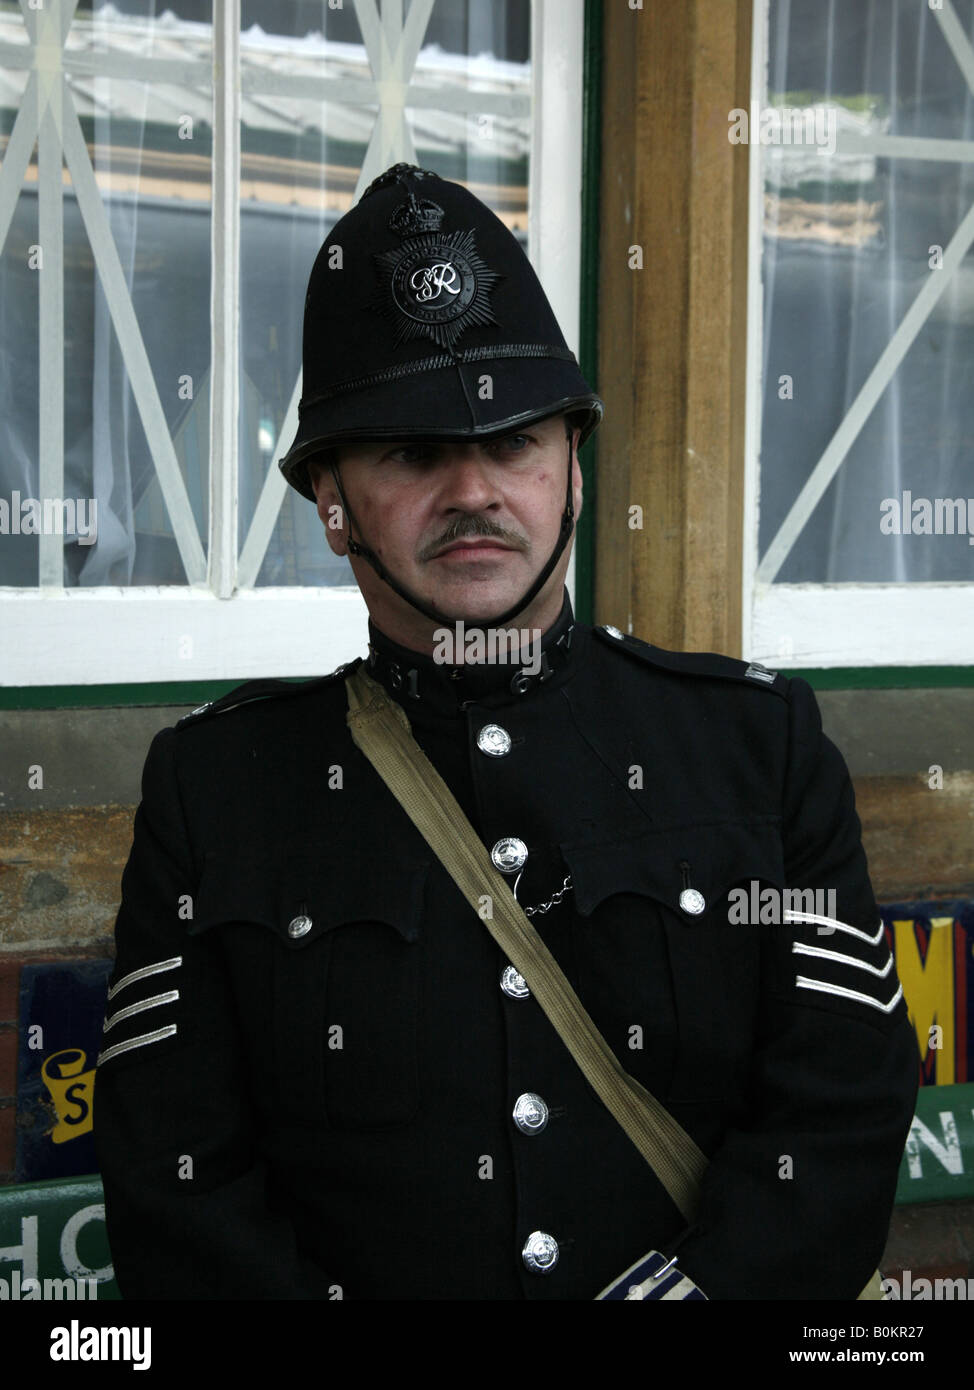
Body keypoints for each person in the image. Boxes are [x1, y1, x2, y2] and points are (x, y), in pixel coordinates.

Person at [94, 164, 918, 1300]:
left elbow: (838, 1122)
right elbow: (178, 1192)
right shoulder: (216, 789)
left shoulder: (756, 750)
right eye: (413, 453)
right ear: (329, 499)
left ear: (573, 464)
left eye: (516, 442)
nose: (474, 490)